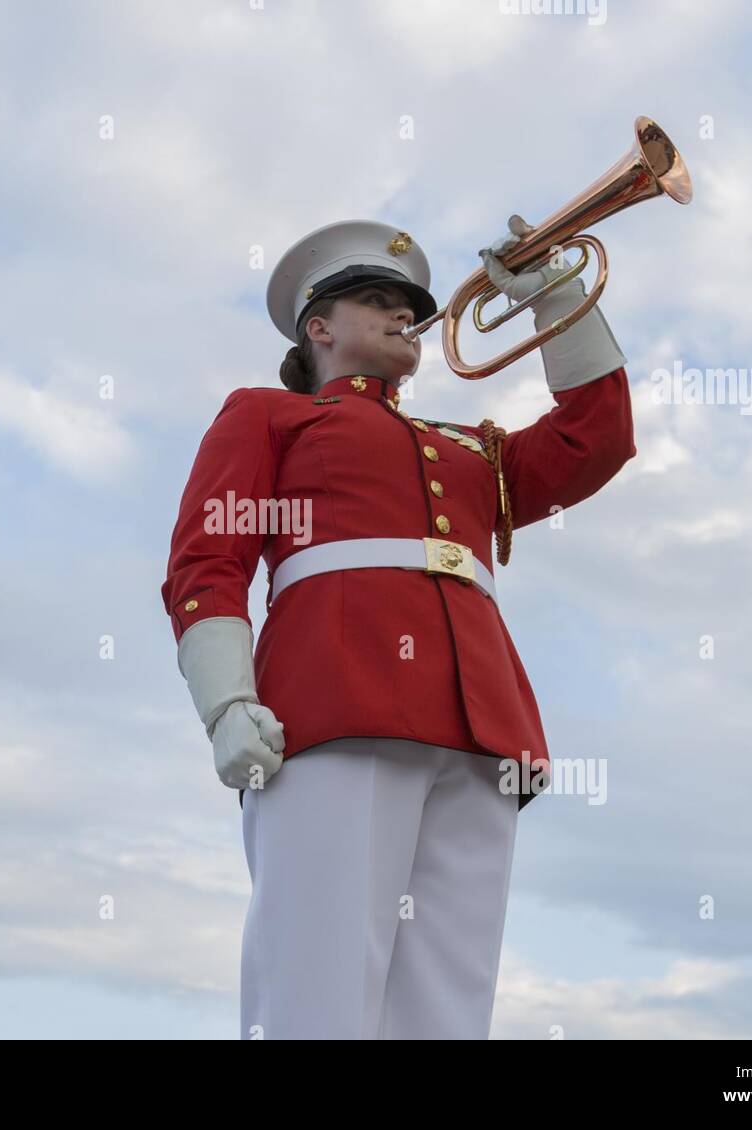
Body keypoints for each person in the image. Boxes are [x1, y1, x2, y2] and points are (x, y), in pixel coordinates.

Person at [161, 217, 635, 1039]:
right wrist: (226, 702)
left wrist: (557, 298)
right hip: (334, 708)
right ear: (319, 328)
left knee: (447, 1007)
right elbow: (208, 563)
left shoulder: (469, 448)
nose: (402, 315)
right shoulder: (268, 417)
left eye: (408, 304)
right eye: (377, 302)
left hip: (480, 730)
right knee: (318, 988)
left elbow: (598, 440)